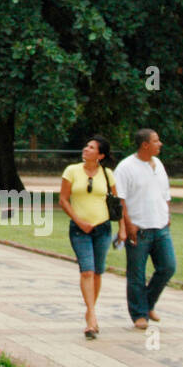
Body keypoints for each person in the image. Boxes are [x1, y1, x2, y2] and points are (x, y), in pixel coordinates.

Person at [60, 135, 122, 339]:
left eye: (91, 147)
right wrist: (79, 221)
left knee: (97, 273)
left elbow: (117, 204)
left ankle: (89, 312)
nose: (86, 149)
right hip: (80, 229)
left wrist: (121, 228)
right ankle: (92, 316)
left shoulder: (107, 174)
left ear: (100, 155)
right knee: (86, 270)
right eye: (86, 146)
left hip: (102, 228)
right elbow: (63, 200)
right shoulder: (72, 171)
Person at [115, 128, 176, 329]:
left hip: (160, 227)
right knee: (136, 275)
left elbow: (165, 194)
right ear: (145, 145)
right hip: (139, 228)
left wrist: (167, 213)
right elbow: (119, 200)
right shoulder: (126, 167)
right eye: (156, 141)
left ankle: (148, 303)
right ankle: (139, 314)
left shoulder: (158, 164)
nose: (160, 144)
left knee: (168, 267)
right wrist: (127, 225)